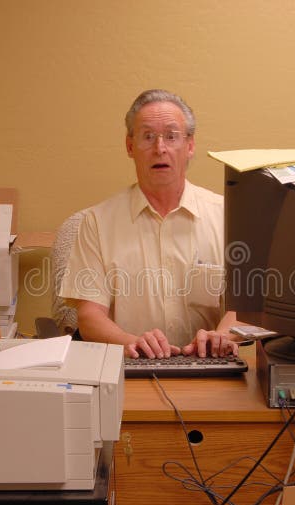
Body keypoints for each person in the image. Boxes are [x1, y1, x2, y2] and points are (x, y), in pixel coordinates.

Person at [59, 89, 239, 359]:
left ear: (190, 145)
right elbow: (89, 317)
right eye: (147, 137)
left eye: (171, 136)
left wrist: (222, 337)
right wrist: (131, 343)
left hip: (209, 367)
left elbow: (246, 310)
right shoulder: (96, 222)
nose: (160, 148)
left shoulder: (226, 217)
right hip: (131, 369)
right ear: (130, 146)